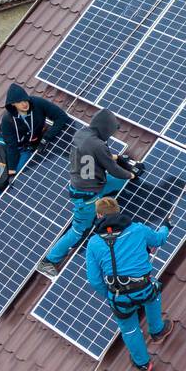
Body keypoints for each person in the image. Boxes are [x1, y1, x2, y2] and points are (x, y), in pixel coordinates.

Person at [35, 109, 140, 276]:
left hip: (91, 180)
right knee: (79, 230)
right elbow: (113, 169)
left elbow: (96, 156)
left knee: (121, 182)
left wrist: (116, 159)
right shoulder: (97, 144)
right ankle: (49, 260)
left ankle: (111, 191)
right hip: (86, 196)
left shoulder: (82, 134)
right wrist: (132, 174)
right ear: (105, 128)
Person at [0, 83, 68, 222]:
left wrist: (46, 138)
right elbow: (12, 148)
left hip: (27, 148)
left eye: (25, 100)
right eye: (19, 102)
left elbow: (61, 117)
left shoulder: (38, 104)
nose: (24, 104)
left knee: (5, 183)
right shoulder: (8, 119)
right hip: (4, 148)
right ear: (12, 104)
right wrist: (11, 170)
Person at [85, 196, 170, 371]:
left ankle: (143, 363)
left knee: (129, 328)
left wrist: (110, 295)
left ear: (99, 216)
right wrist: (166, 226)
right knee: (153, 292)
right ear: (118, 211)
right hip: (143, 287)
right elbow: (159, 240)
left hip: (119, 297)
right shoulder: (137, 230)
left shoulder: (94, 243)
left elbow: (94, 280)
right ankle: (157, 331)